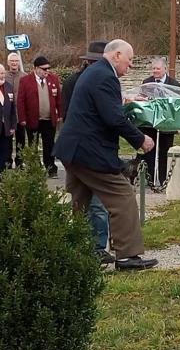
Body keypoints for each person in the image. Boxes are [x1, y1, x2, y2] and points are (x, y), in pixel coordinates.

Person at [54, 39, 158, 271]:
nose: (130, 66)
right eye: (129, 60)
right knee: (123, 197)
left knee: (79, 203)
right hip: (88, 151)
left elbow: (103, 111)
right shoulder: (105, 76)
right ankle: (127, 256)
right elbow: (113, 117)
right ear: (117, 55)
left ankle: (75, 251)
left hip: (74, 149)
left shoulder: (95, 73)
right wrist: (141, 139)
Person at [62, 40, 112, 260]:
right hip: (83, 150)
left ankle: (98, 247)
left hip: (89, 148)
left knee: (97, 204)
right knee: (83, 202)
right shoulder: (75, 83)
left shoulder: (101, 80)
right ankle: (83, 246)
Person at [139, 57, 180, 187]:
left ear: (164, 69)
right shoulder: (147, 82)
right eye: (153, 69)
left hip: (167, 124)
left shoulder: (174, 84)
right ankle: (151, 180)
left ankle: (164, 181)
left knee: (165, 153)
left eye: (158, 68)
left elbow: (176, 105)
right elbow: (143, 101)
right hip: (150, 125)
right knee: (150, 152)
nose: (155, 71)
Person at [16, 56, 62, 178]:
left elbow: (59, 99)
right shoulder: (25, 81)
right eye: (44, 69)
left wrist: (60, 115)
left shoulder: (53, 79)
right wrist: (22, 118)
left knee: (49, 144)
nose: (47, 71)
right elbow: (20, 101)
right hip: (32, 119)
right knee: (33, 144)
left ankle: (51, 168)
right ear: (36, 68)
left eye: (48, 68)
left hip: (49, 119)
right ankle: (34, 168)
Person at [4, 51, 27, 167]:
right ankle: (7, 161)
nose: (14, 63)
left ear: (19, 62)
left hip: (20, 113)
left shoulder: (24, 76)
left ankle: (20, 161)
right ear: (8, 62)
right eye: (12, 61)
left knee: (21, 139)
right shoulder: (3, 75)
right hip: (7, 113)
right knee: (7, 139)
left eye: (16, 61)